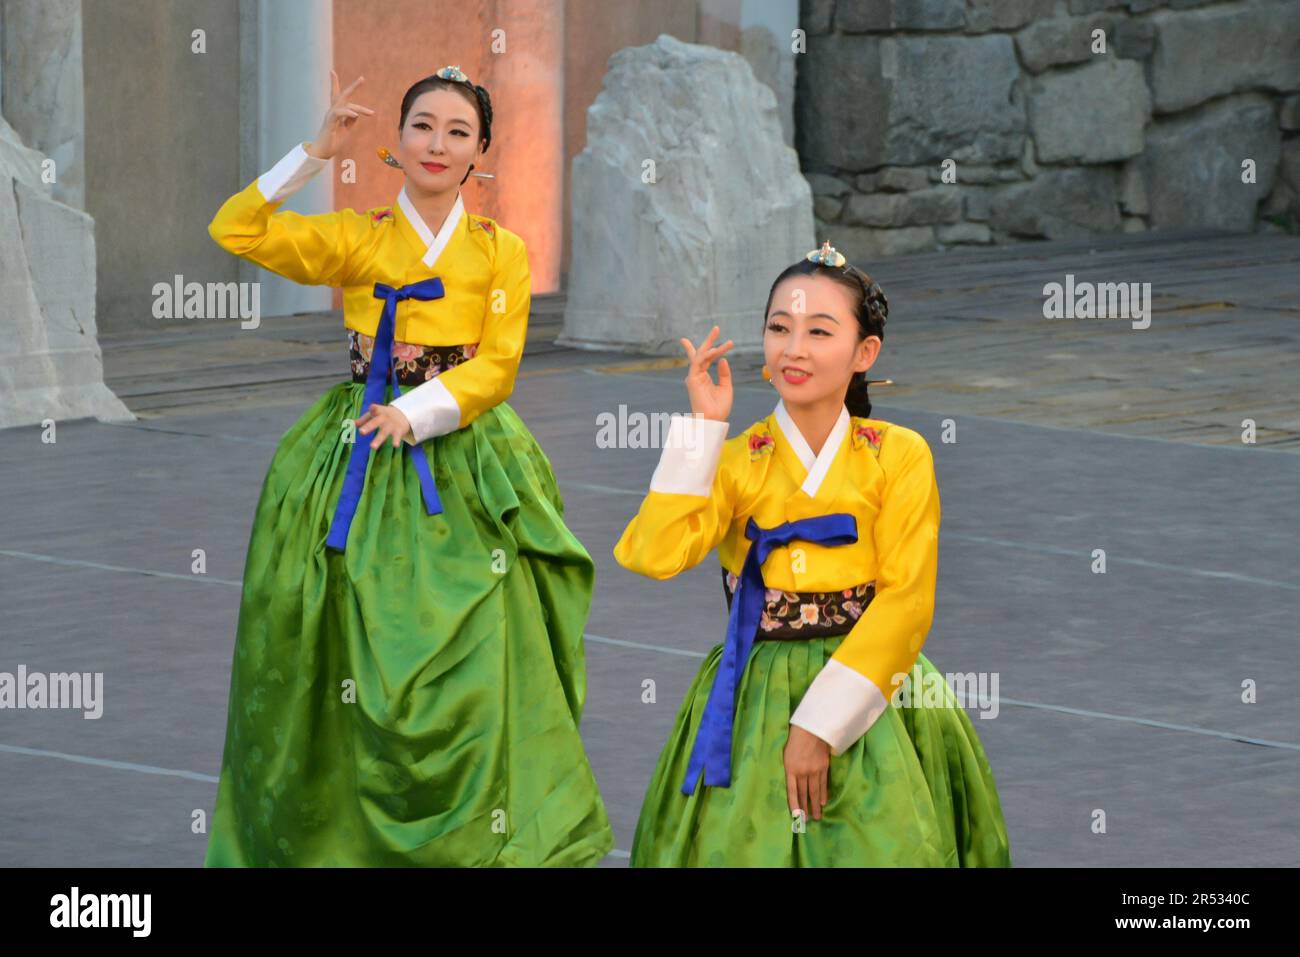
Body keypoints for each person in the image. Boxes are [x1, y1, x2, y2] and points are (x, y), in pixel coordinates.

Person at [203, 66, 614, 866]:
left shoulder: (501, 252)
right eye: (422, 125)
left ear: (481, 152)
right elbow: (236, 230)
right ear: (396, 139)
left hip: (466, 459)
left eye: (458, 131)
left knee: (482, 651)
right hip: (354, 452)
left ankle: (485, 836)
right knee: (344, 650)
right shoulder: (357, 236)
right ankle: (342, 839)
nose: (437, 143)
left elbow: (497, 367)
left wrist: (416, 413)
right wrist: (312, 154)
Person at [614, 241, 1012, 866]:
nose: (793, 349)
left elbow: (905, 601)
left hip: (874, 689)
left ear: (864, 353)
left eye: (819, 332)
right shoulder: (735, 457)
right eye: (779, 328)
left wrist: (819, 725)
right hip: (754, 692)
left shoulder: (898, 454)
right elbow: (654, 553)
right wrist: (701, 430)